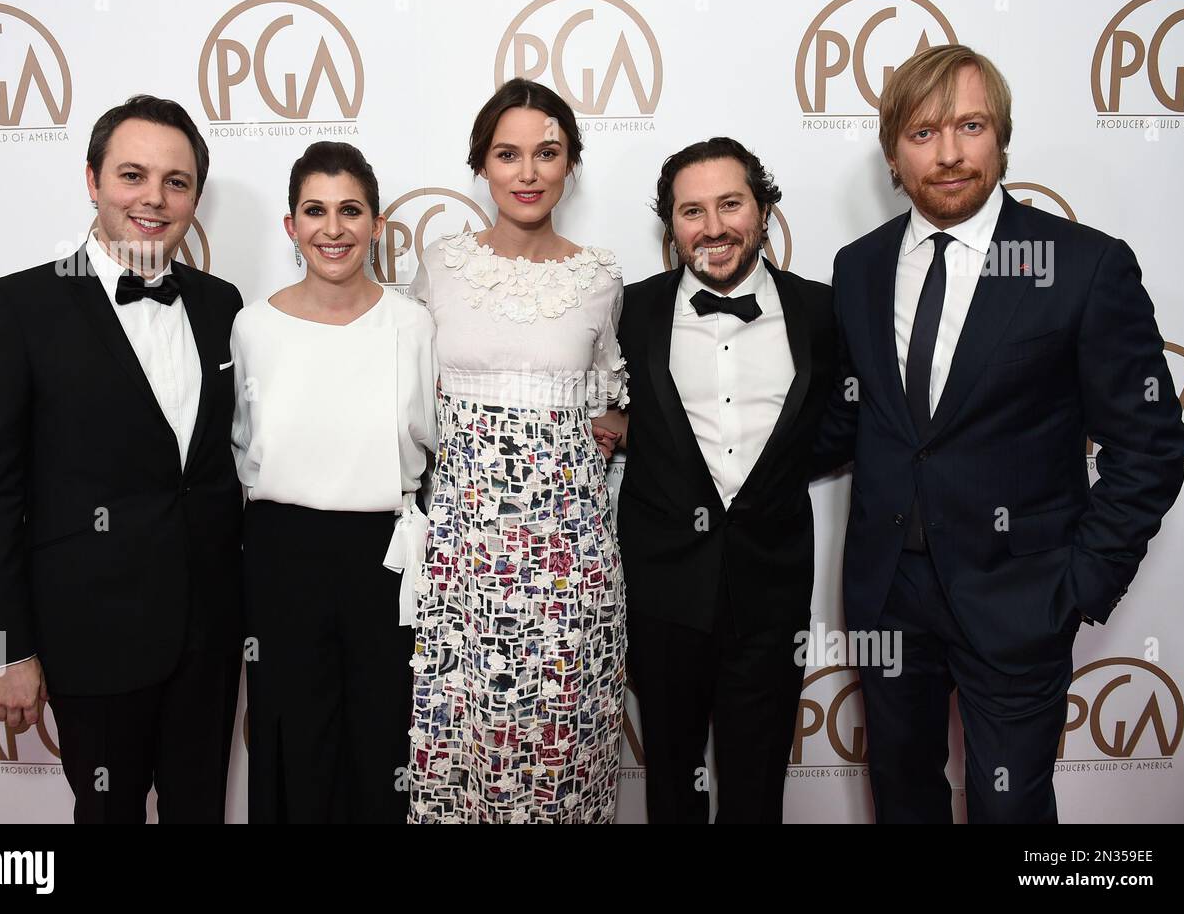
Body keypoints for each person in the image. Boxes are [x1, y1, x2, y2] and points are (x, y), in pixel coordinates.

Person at [813, 44, 1184, 822]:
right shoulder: (859, 268)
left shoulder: (1082, 267)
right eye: (922, 133)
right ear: (893, 154)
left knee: (1008, 811)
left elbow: (1150, 443)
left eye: (970, 126)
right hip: (891, 598)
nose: (948, 154)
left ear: (1003, 137)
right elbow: (855, 419)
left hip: (1021, 598)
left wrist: (1078, 584)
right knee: (904, 801)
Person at [0, 95, 245, 823]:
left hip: (209, 633)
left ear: (194, 198)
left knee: (198, 810)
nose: (154, 198)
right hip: (92, 634)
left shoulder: (222, 305)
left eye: (176, 182)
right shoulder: (14, 308)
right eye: (133, 175)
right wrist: (5, 650)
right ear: (92, 179)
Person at [594, 138, 837, 822]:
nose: (713, 226)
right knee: (671, 779)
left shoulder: (821, 312)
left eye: (730, 203)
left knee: (758, 784)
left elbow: (846, 421)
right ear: (670, 225)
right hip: (664, 587)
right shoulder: (630, 312)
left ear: (762, 210)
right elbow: (602, 413)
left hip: (772, 585)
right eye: (691, 210)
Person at [405, 78, 628, 823]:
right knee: (466, 744)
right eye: (508, 154)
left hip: (573, 562)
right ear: (482, 165)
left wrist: (611, 426)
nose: (527, 172)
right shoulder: (439, 267)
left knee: (565, 746)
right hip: (466, 557)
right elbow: (407, 395)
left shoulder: (600, 276)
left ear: (570, 165)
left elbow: (611, 405)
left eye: (547, 153)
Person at [231, 141, 436, 823]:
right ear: (291, 227)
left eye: (351, 210)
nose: (334, 228)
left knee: (384, 737)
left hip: (386, 557)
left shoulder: (414, 323)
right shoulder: (251, 327)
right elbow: (239, 443)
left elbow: (435, 441)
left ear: (377, 224)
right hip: (281, 554)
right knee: (294, 736)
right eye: (314, 211)